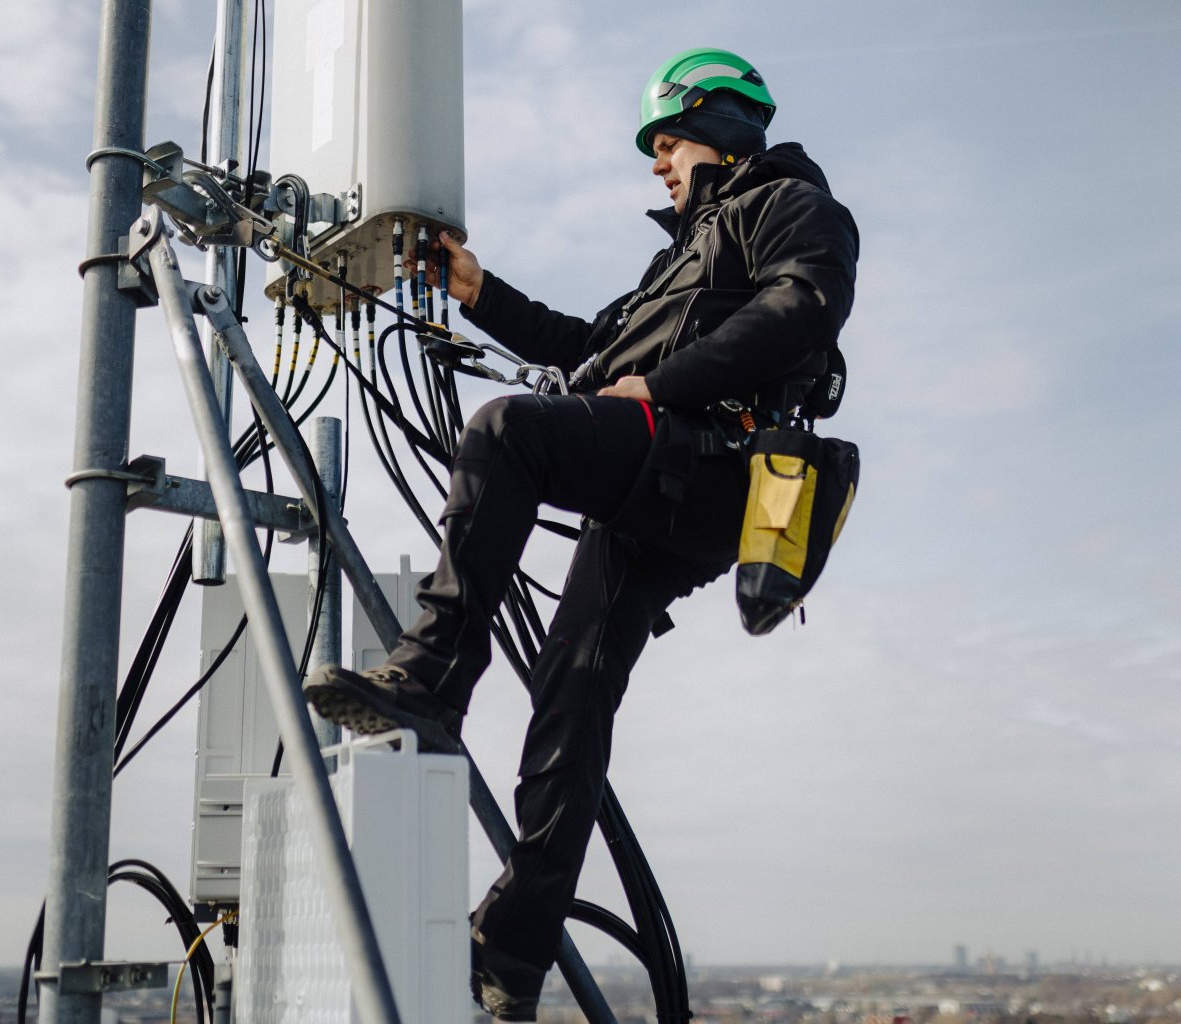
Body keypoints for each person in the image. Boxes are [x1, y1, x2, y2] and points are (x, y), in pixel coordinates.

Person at [304, 47, 859, 1020]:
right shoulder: (677, 261)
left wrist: (662, 384)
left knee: (507, 432)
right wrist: (479, 292)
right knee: (571, 696)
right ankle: (513, 953)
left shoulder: (790, 206)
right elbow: (592, 351)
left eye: (669, 142)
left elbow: (804, 306)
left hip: (712, 467)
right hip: (655, 487)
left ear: (721, 124)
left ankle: (432, 673)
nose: (658, 163)